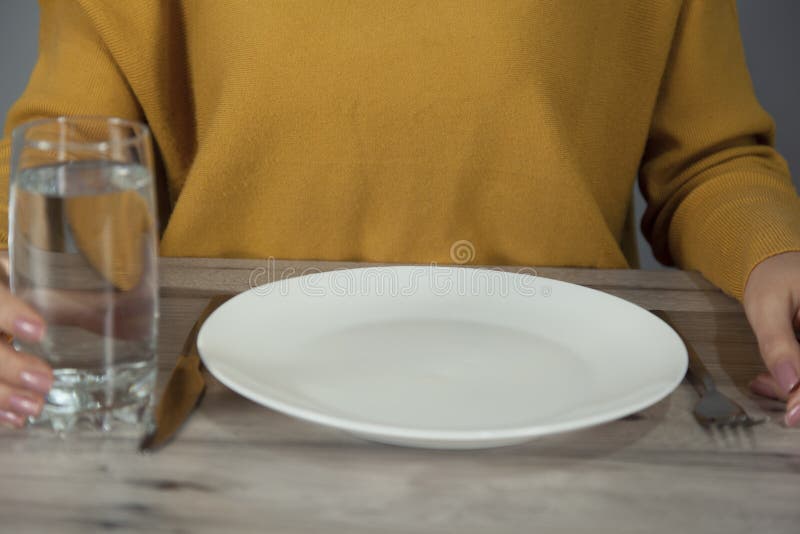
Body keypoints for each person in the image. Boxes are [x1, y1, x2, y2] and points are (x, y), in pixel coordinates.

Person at [1, 0, 799, 428]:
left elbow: (708, 159)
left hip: (579, 416)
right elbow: (57, 163)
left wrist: (774, 255)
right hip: (215, 409)